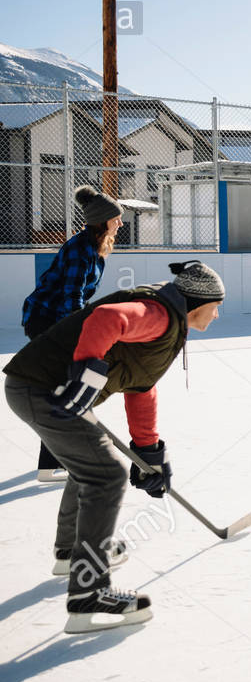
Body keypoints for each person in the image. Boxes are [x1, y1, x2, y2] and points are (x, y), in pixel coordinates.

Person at [4, 260, 226, 632]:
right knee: (105, 475)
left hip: (38, 388)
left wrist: (148, 451)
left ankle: (70, 552)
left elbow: (141, 386)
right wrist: (86, 370)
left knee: (92, 463)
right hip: (42, 389)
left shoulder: (167, 324)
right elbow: (106, 318)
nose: (217, 315)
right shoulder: (157, 314)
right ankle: (88, 595)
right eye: (216, 306)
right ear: (197, 303)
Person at [21, 185, 123, 482]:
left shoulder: (94, 246)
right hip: (45, 321)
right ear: (103, 220)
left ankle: (51, 462)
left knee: (63, 389)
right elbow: (71, 297)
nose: (120, 222)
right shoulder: (82, 249)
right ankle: (53, 463)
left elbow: (78, 300)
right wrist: (77, 336)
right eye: (116, 218)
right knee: (63, 388)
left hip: (53, 319)